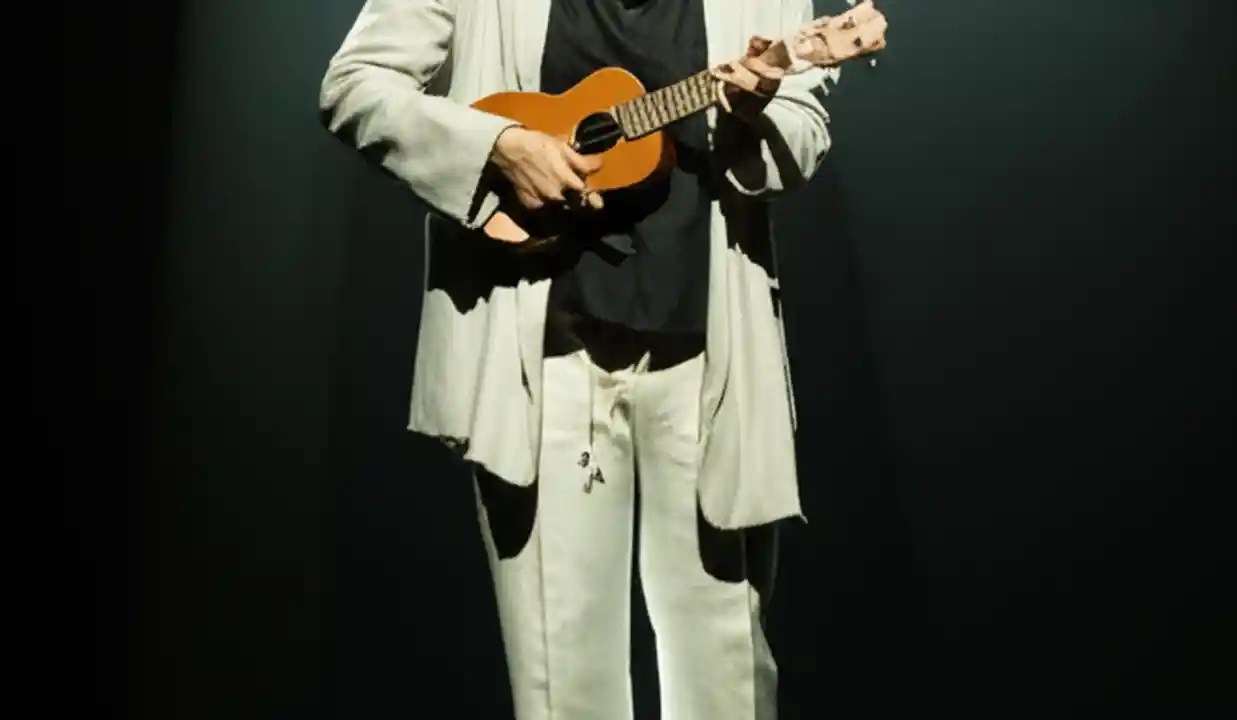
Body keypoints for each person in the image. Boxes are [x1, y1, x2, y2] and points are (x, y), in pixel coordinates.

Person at [318, 0, 886, 717]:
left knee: (726, 679)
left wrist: (754, 109)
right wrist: (495, 145)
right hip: (543, 352)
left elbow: (803, 133)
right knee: (565, 687)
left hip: (704, 353)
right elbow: (357, 83)